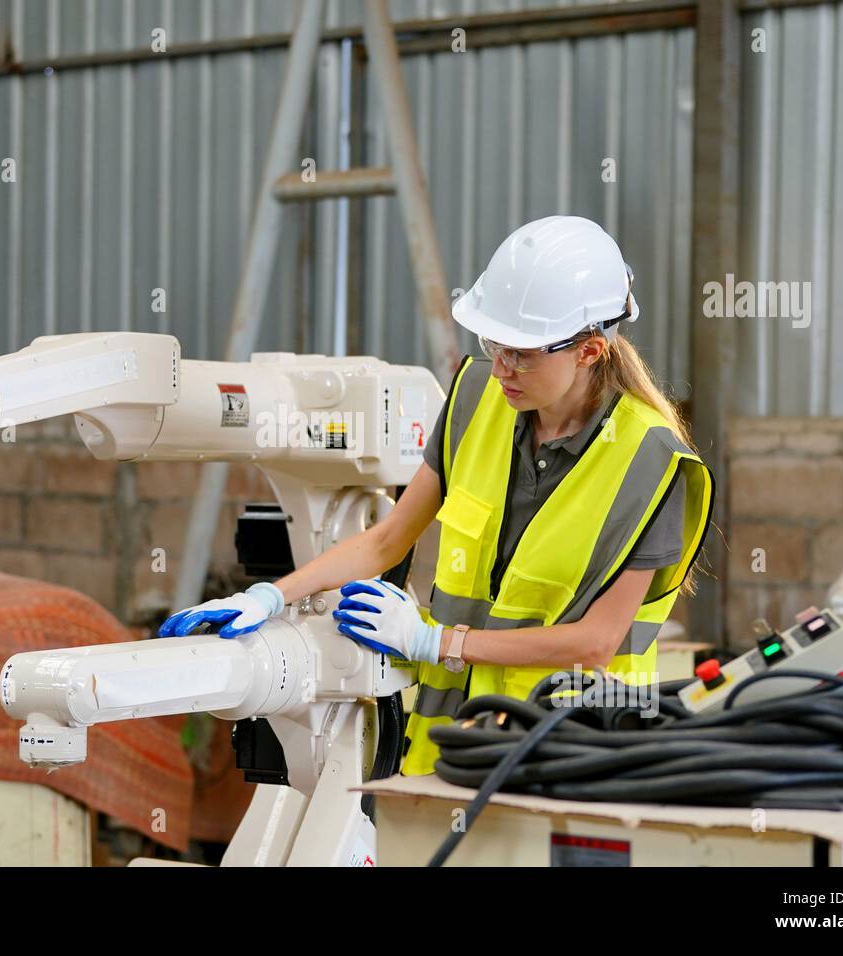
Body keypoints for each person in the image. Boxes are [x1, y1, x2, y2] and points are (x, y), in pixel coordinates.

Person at [159, 215, 714, 775]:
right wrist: (270, 598)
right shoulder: (477, 397)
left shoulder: (652, 462)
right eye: (493, 343)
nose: (501, 367)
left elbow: (597, 642)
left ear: (590, 351)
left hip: (572, 750)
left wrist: (437, 642)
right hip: (453, 741)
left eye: (522, 352)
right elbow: (386, 542)